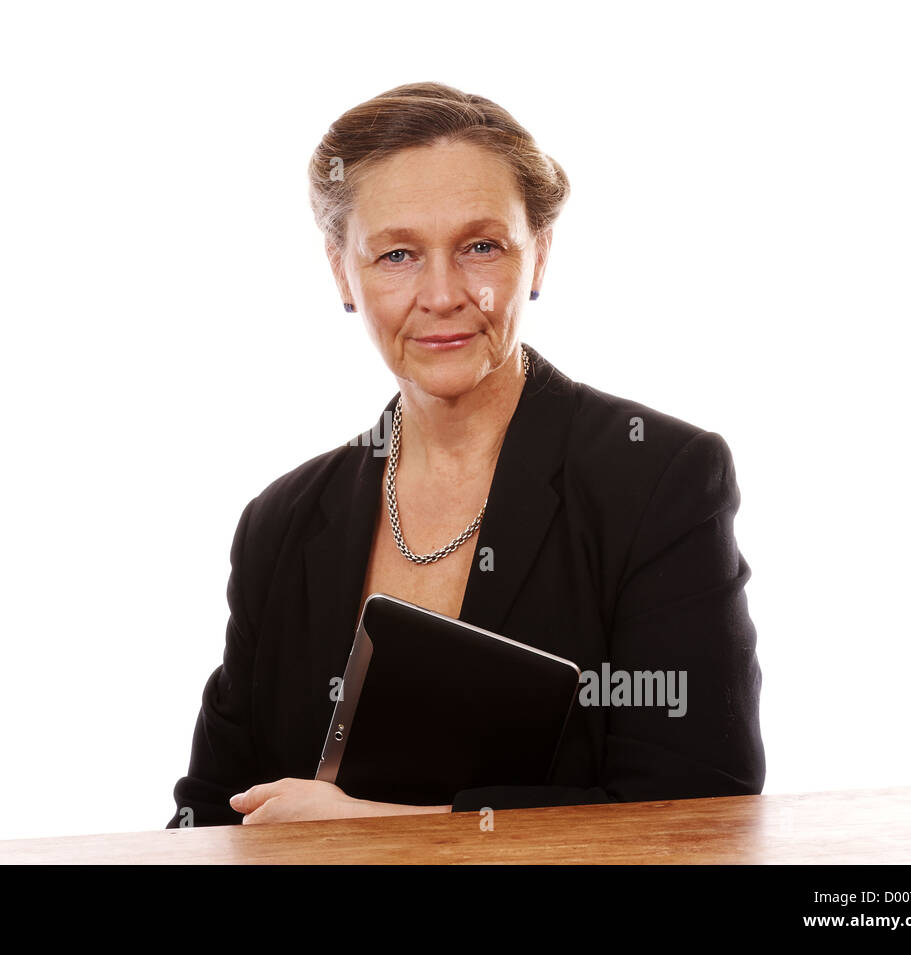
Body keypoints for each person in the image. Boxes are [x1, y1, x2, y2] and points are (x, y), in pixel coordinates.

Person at [165, 82, 765, 829]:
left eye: (480, 246)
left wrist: (378, 829)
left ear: (538, 255)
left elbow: (702, 813)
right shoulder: (282, 523)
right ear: (342, 272)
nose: (443, 293)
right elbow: (209, 815)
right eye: (397, 254)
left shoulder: (660, 480)